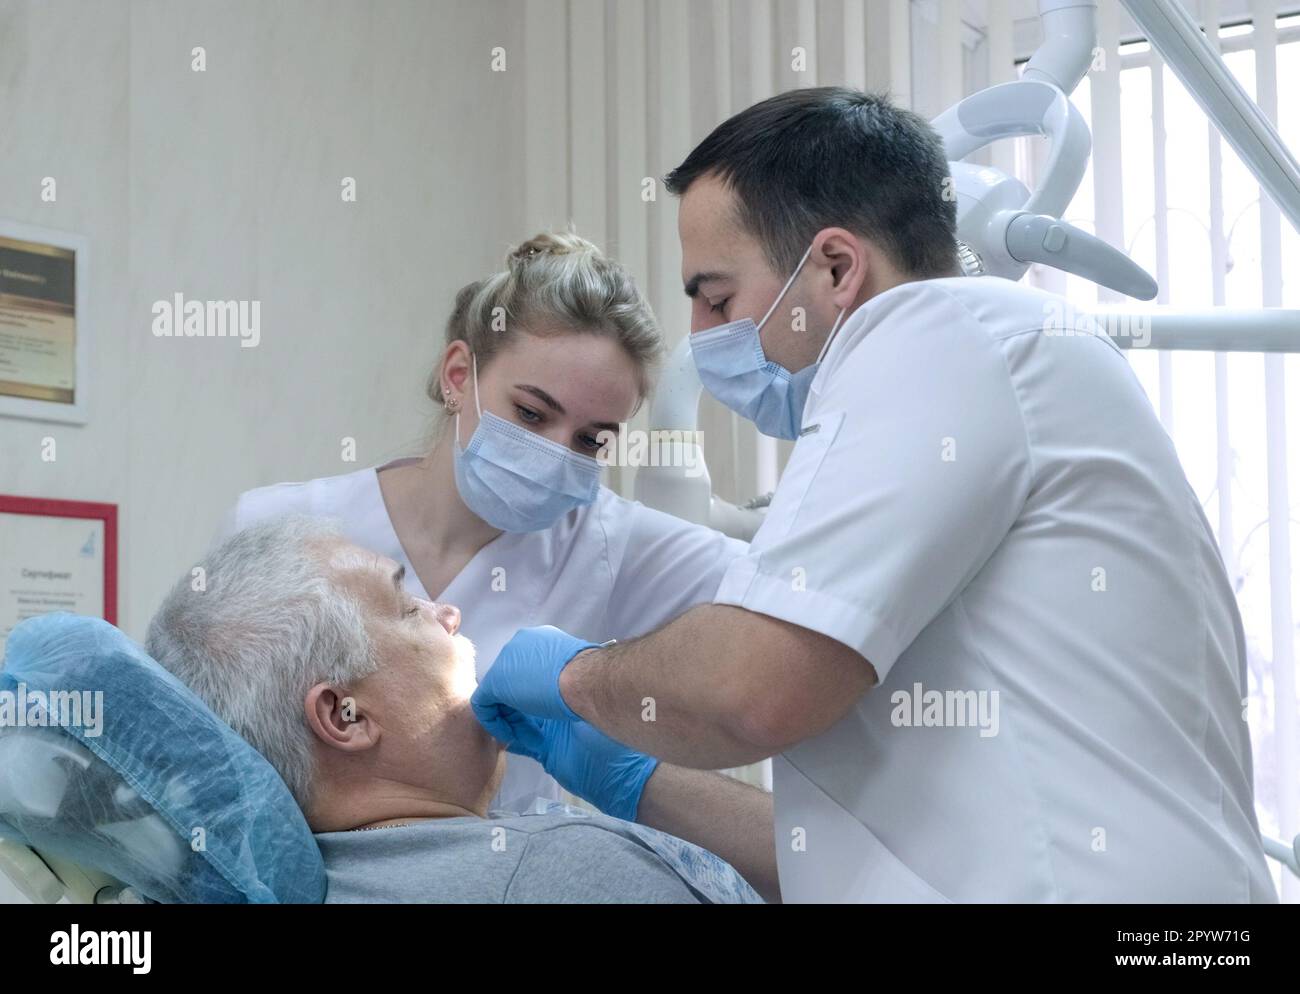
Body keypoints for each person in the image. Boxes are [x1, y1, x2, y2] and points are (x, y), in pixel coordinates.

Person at [470, 87, 1277, 903]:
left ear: (834, 267)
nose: (705, 337)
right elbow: (841, 861)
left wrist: (577, 676)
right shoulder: (979, 366)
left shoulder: (943, 335)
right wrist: (632, 779)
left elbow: (751, 690)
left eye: (718, 299)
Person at [215, 230, 754, 815]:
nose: (555, 452)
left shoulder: (609, 544)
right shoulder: (281, 525)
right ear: (456, 376)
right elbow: (214, 752)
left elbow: (798, 606)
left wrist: (602, 684)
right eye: (530, 412)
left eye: (590, 439)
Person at [145, 515, 765, 904]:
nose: (449, 613)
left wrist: (639, 783)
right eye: (407, 607)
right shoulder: (563, 871)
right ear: (345, 716)